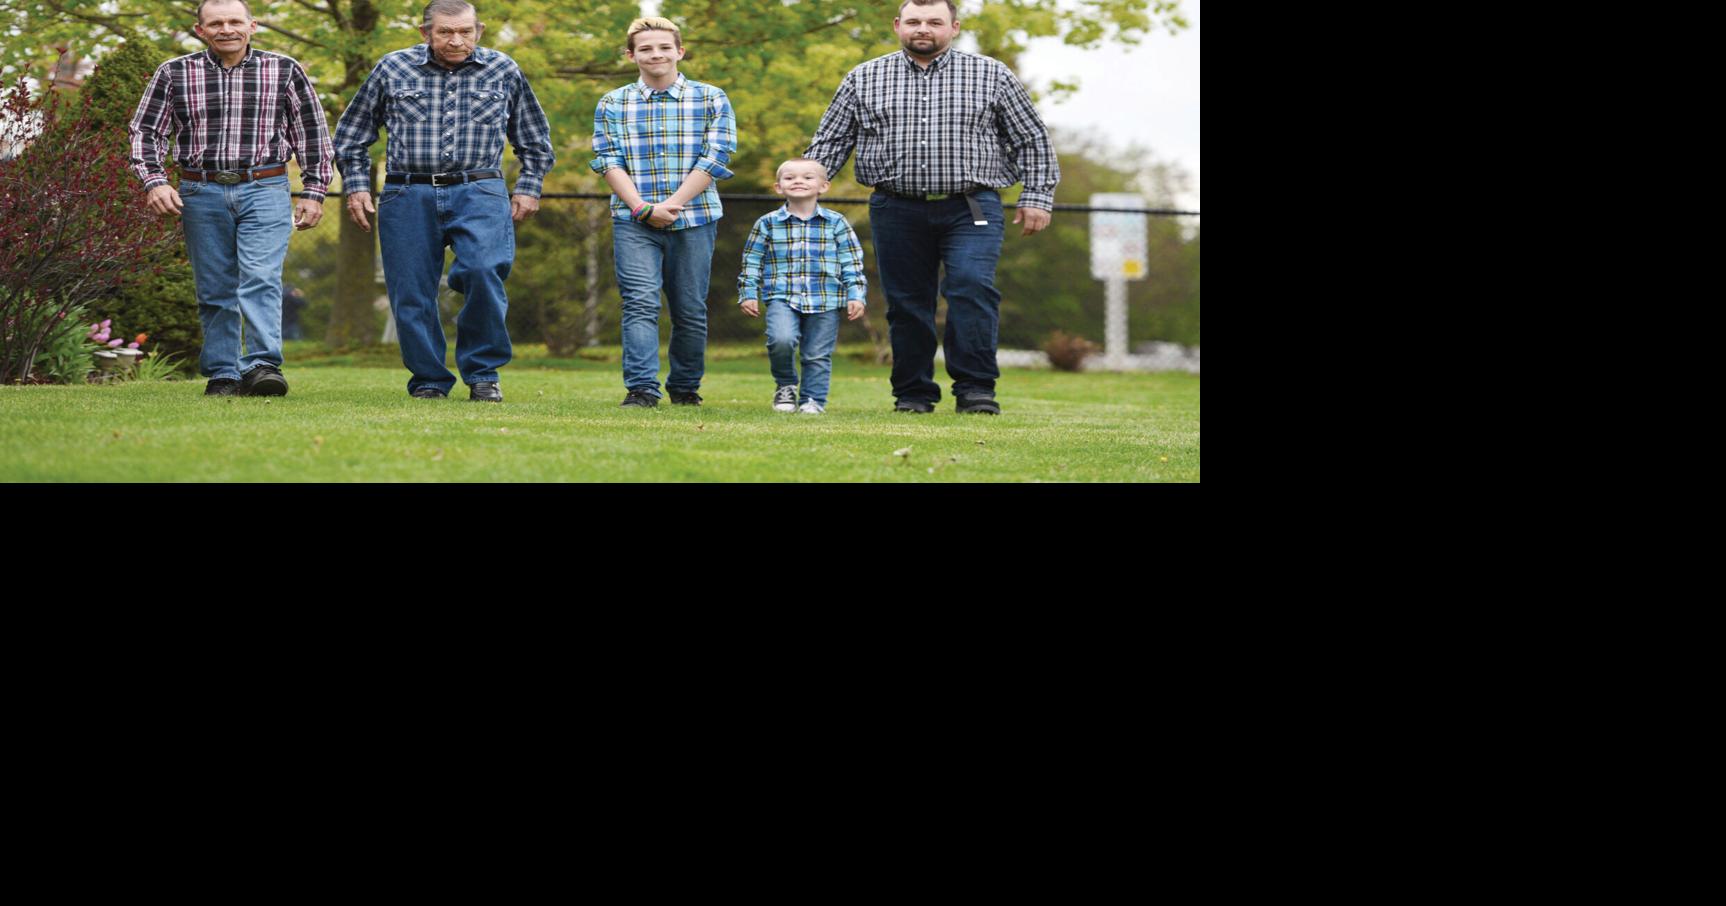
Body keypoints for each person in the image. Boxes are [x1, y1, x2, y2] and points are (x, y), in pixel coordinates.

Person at [806, 0, 1059, 415]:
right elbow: (831, 142)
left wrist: (1037, 196)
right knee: (907, 302)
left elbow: (1031, 138)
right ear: (898, 25)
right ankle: (913, 393)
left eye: (934, 22)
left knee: (971, 287)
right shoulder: (863, 78)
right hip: (895, 207)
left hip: (971, 206)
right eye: (914, 21)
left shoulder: (991, 75)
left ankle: (976, 390)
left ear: (954, 27)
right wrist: (808, 185)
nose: (923, 29)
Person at [334, 0, 554, 402]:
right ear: (425, 33)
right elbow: (351, 135)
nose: (456, 40)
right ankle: (430, 379)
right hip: (406, 192)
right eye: (445, 32)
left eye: (465, 32)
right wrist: (357, 186)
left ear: (479, 30)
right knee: (411, 292)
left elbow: (535, 139)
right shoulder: (392, 67)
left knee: (484, 271)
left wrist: (529, 186)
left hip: (480, 189)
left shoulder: (503, 70)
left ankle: (483, 372)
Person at [128, 0, 333, 398]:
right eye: (216, 23)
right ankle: (223, 372)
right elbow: (145, 132)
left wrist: (314, 190)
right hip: (200, 190)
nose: (226, 29)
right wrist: (155, 181)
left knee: (260, 278)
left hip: (266, 187)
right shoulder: (174, 73)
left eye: (235, 21)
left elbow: (312, 132)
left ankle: (261, 366)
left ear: (252, 26)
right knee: (215, 286)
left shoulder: (284, 69)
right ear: (200, 30)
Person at [590, 16, 737, 408]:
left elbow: (716, 157)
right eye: (645, 48)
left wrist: (673, 205)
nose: (656, 54)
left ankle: (685, 387)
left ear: (679, 51)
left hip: (695, 217)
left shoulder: (711, 98)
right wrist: (641, 207)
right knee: (639, 302)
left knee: (689, 308)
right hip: (633, 220)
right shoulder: (612, 103)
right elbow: (607, 160)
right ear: (631, 55)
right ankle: (641, 389)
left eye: (664, 47)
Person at [738, 159, 867, 415]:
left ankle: (813, 400)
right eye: (789, 178)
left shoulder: (837, 223)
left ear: (824, 186)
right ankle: (786, 385)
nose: (798, 181)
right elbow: (751, 261)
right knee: (781, 340)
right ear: (778, 187)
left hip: (827, 297)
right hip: (781, 296)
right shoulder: (767, 223)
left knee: (817, 354)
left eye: (808, 177)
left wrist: (856, 294)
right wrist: (748, 293)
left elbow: (852, 261)